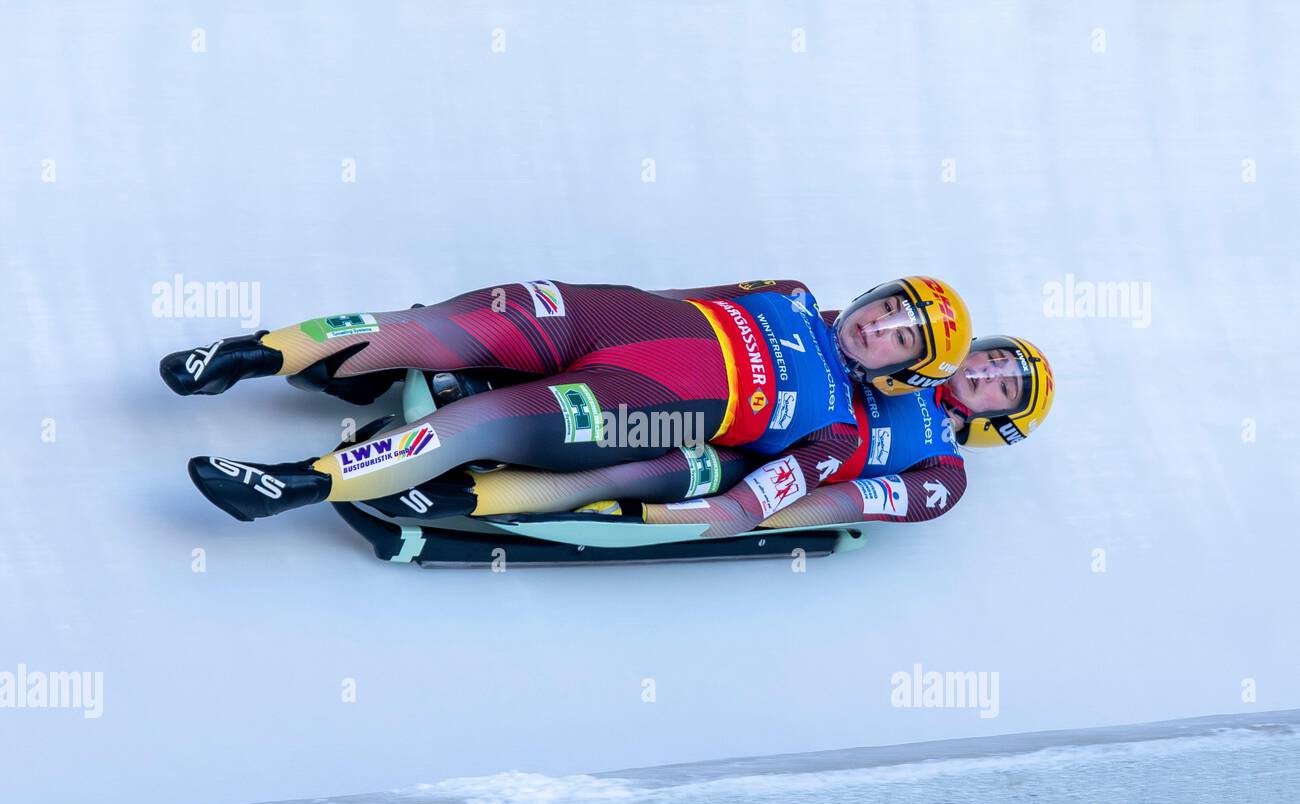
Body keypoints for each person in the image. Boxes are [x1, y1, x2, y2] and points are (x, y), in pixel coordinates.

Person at [161, 277, 973, 537]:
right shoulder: (792, 292)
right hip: (612, 318)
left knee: (473, 426)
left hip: (652, 407)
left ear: (906, 373)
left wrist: (650, 513)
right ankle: (246, 354)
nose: (879, 324)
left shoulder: (835, 432)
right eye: (887, 306)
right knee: (442, 330)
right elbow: (684, 295)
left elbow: (741, 507)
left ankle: (292, 485)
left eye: (900, 337)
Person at [347, 334, 1055, 537]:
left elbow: (849, 502)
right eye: (994, 359)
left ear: (1000, 422)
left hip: (750, 467)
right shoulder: (910, 354)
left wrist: (759, 516)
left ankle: (472, 500)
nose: (986, 372)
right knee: (623, 396)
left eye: (1001, 384)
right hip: (740, 411)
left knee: (639, 468)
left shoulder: (944, 473)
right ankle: (483, 391)